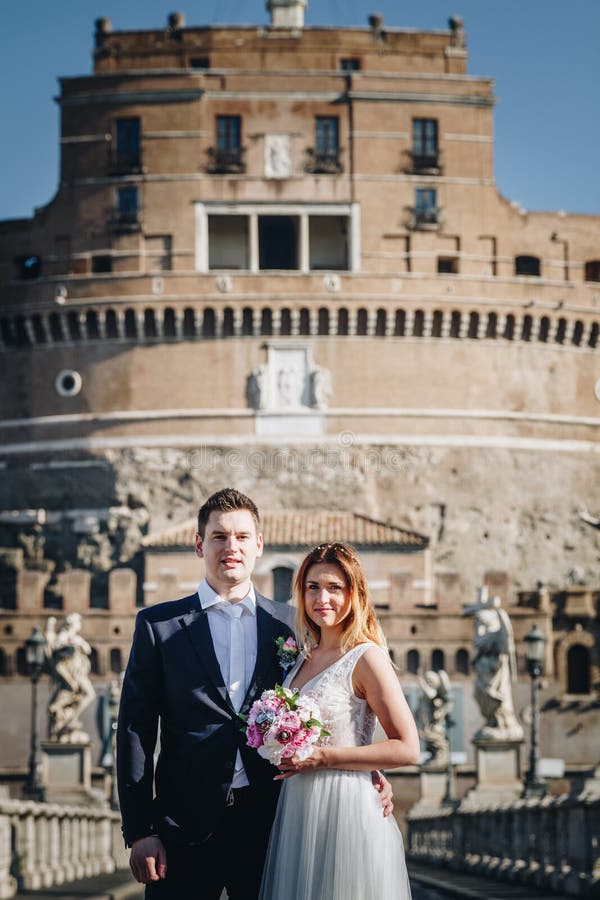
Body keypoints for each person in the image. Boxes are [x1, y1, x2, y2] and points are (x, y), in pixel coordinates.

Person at [117, 489, 393, 899]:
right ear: (199, 545)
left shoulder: (295, 627)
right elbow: (135, 730)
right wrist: (140, 830)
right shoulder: (159, 626)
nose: (232, 547)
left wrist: (363, 767)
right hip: (182, 830)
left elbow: (326, 702)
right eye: (219, 537)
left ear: (259, 546)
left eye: (243, 537)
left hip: (274, 824)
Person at [259, 541, 420, 900]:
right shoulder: (300, 657)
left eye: (335, 588)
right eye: (312, 587)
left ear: (354, 593)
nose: (322, 599)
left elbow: (408, 748)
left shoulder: (367, 658)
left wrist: (323, 757)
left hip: (346, 806)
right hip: (298, 807)